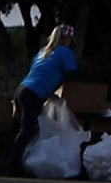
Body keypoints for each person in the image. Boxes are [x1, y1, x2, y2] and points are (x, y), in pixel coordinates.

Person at [10, 23, 79, 175]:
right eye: (71, 41)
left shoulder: (43, 52)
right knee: (27, 130)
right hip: (34, 93)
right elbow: (73, 74)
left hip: (22, 90)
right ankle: (15, 168)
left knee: (23, 129)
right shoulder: (64, 52)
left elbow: (42, 73)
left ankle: (19, 163)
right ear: (67, 39)